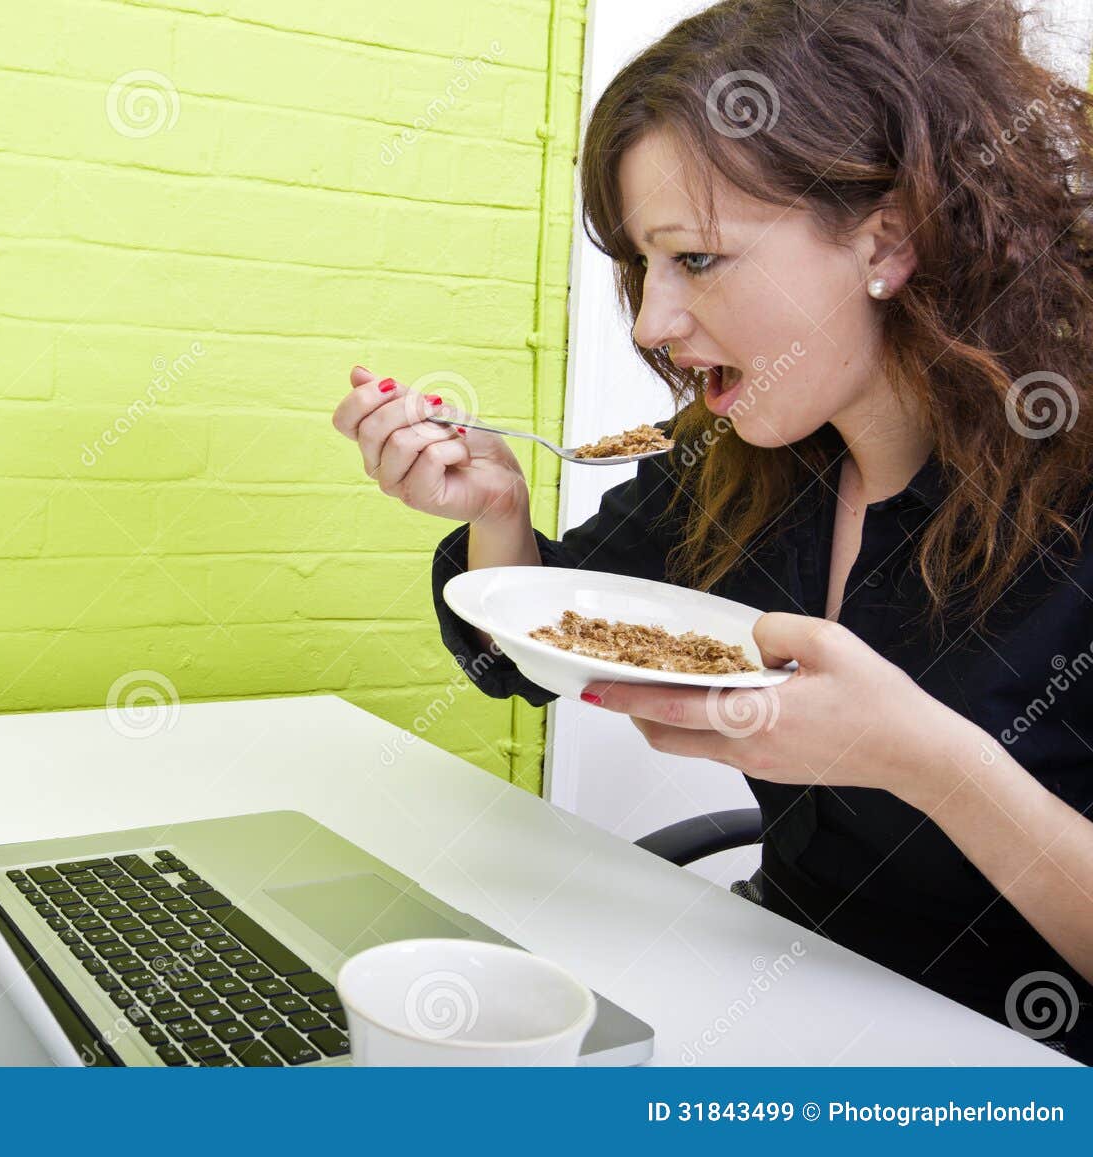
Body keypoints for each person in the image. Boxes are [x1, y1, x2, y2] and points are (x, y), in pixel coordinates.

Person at [331, 0, 1093, 1062]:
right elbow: (537, 645)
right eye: (640, 266)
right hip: (767, 1011)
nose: (649, 323)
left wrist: (926, 760)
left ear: (886, 240)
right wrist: (498, 512)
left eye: (692, 258)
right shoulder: (746, 457)